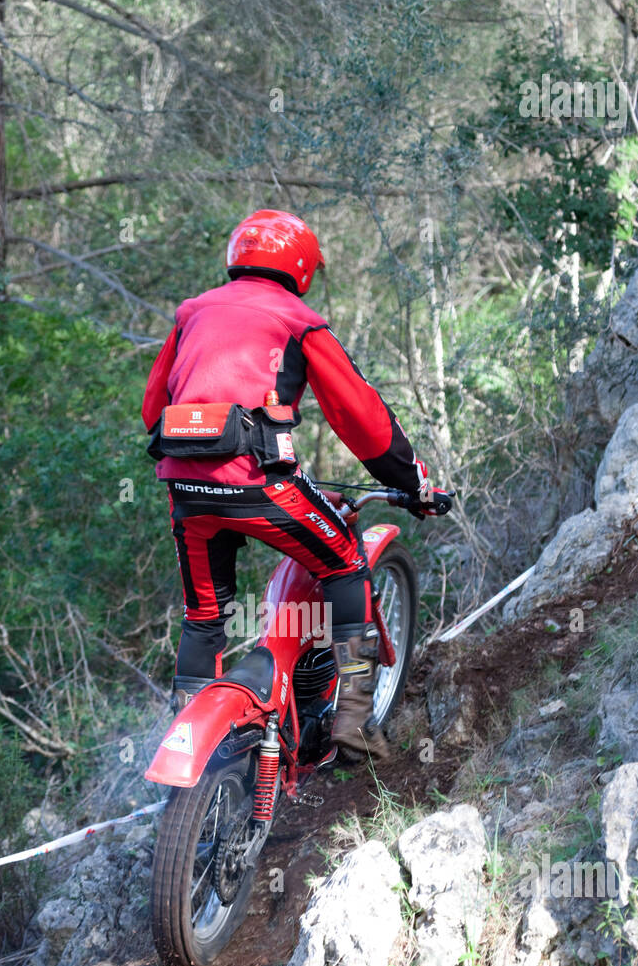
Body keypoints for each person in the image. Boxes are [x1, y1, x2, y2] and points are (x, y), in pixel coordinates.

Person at [142, 208, 437, 761]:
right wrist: (412, 481)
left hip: (186, 490)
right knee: (346, 563)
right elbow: (363, 420)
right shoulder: (299, 320)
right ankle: (354, 722)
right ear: (300, 265)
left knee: (205, 616)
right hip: (264, 489)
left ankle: (195, 746)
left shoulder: (193, 314)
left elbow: (152, 408)